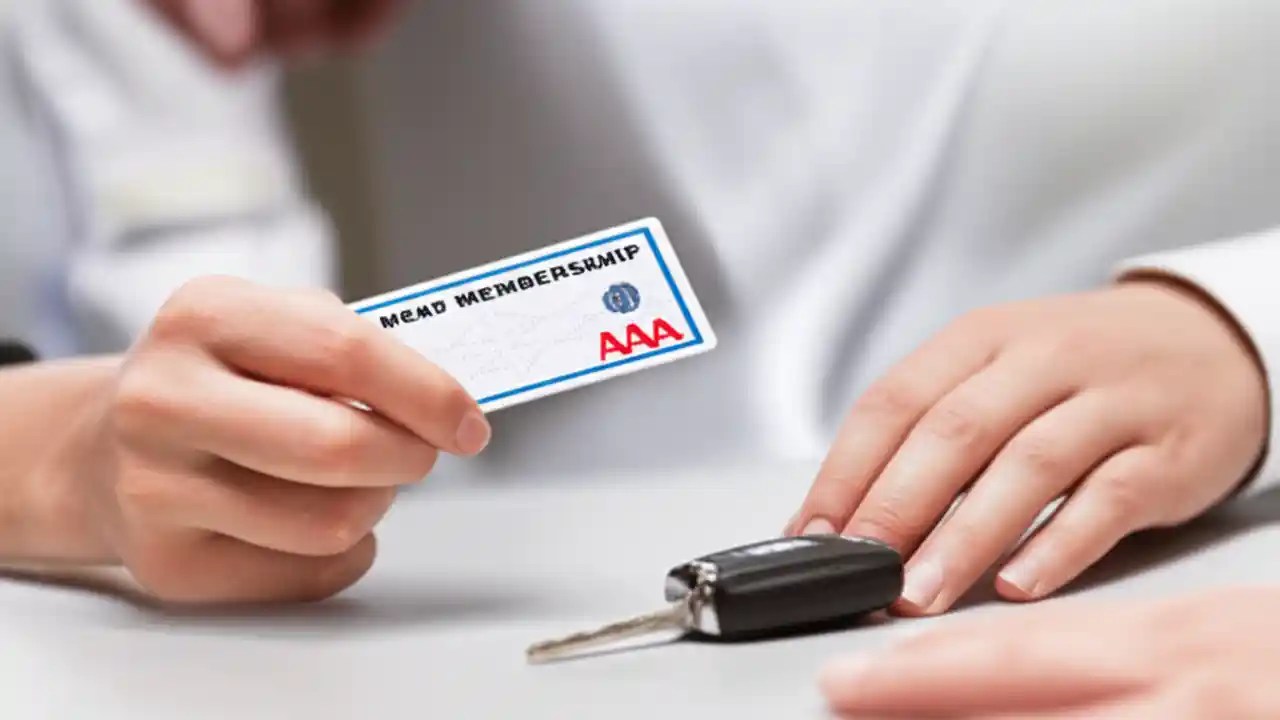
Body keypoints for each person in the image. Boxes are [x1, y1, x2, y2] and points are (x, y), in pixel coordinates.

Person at [3, 1, 1280, 714]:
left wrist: (1238, 321)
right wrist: (86, 450)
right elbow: (162, 368)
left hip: (1162, 597)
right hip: (433, 637)